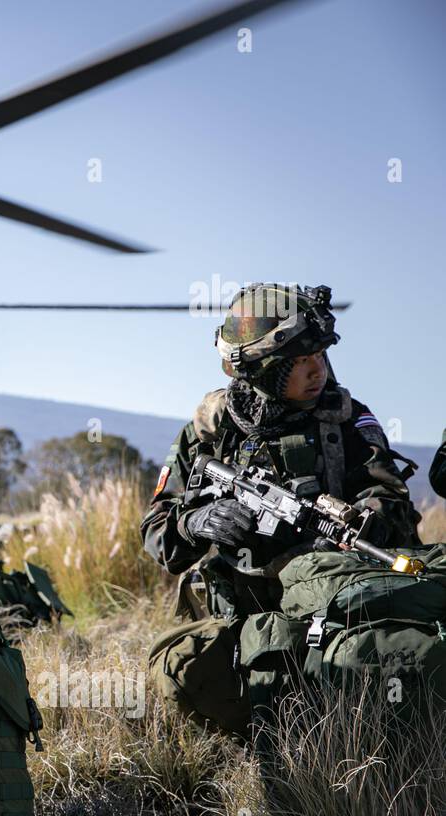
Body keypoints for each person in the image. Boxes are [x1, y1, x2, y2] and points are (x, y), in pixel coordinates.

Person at [142, 282, 420, 734]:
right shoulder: (210, 431)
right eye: (302, 361)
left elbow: (392, 499)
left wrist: (366, 519)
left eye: (321, 357)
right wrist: (196, 522)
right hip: (240, 616)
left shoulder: (346, 418)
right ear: (264, 369)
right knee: (184, 669)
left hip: (332, 611)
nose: (319, 371)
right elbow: (157, 534)